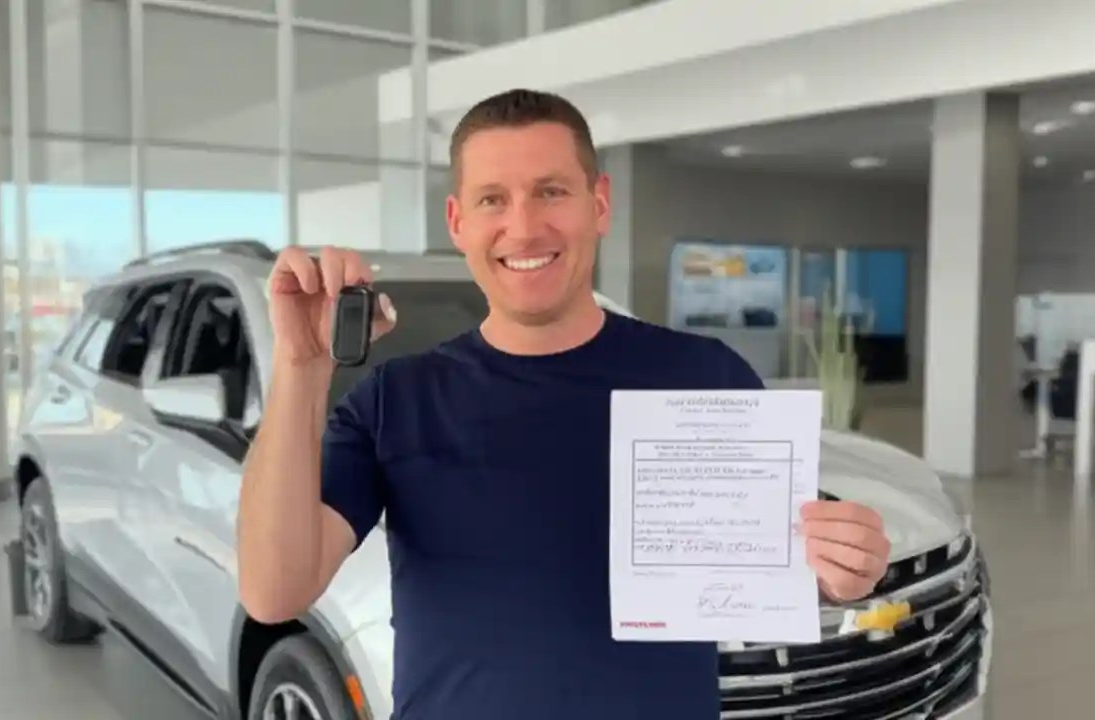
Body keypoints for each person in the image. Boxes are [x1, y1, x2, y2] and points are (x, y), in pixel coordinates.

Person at [237, 88, 891, 719]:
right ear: (459, 221)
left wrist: (838, 569)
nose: (523, 228)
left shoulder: (704, 376)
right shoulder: (393, 401)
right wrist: (301, 366)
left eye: (551, 191)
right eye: (494, 198)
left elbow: (763, 565)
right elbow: (275, 591)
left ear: (598, 204)